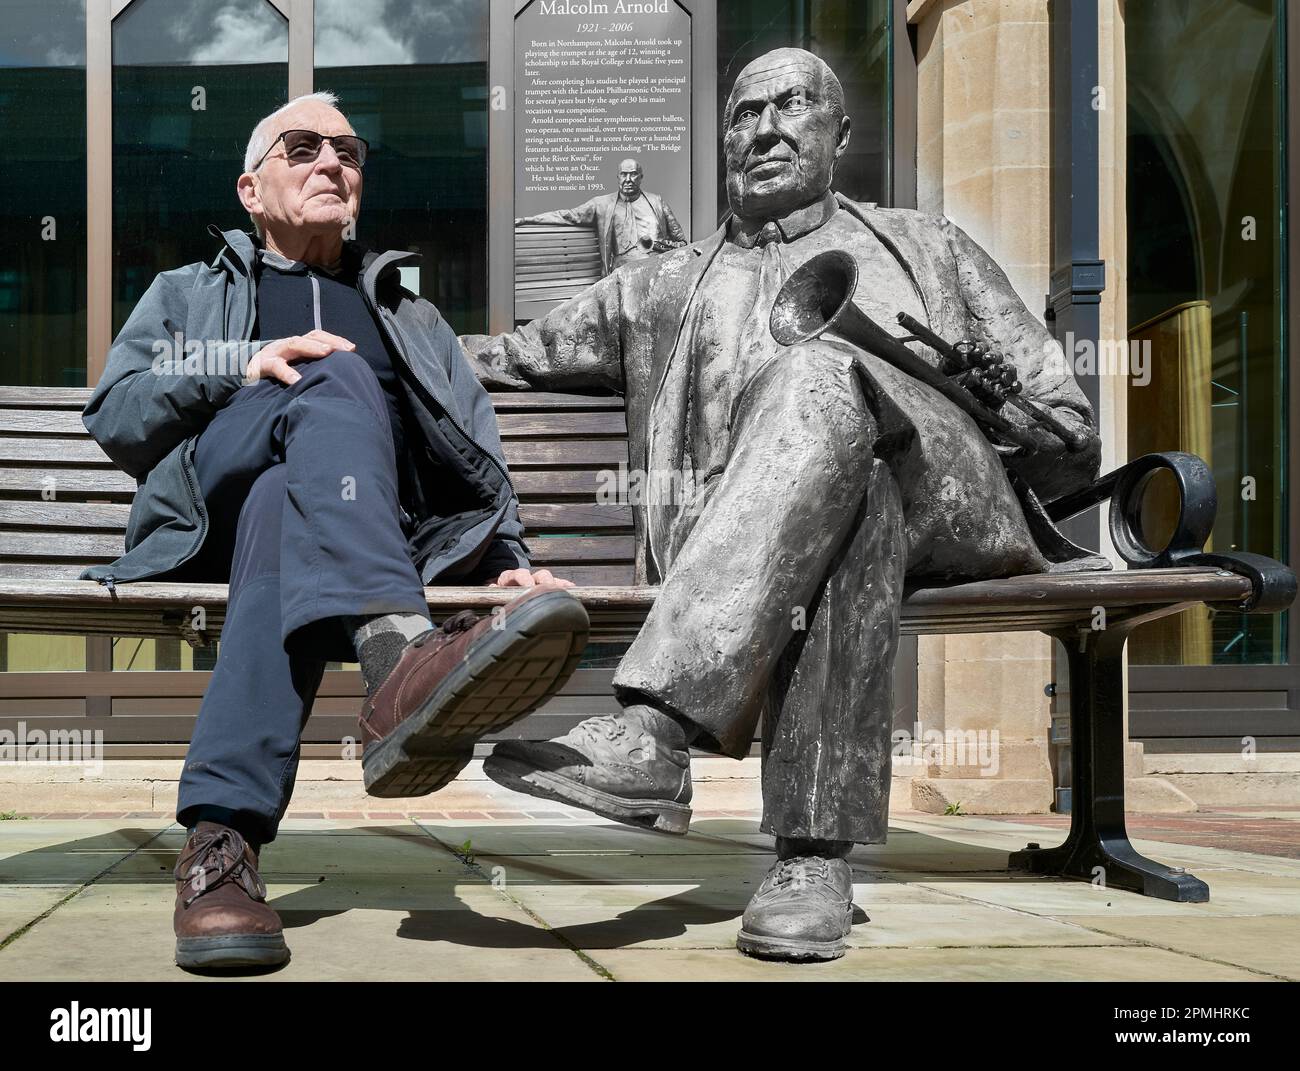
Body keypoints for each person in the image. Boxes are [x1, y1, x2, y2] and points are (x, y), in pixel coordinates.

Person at [462, 48, 1102, 962]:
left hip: (956, 508)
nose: (763, 128)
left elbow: (1077, 440)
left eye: (792, 106)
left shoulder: (927, 245)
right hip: (828, 530)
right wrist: (355, 334)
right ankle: (811, 858)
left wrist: (1010, 407)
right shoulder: (660, 283)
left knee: (820, 375)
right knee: (854, 506)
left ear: (838, 134)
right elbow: (505, 356)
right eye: (742, 113)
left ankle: (655, 730)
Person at [80, 91, 588, 972]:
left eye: (348, 152)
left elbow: (472, 451)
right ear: (250, 187)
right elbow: (116, 410)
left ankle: (221, 844)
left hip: (330, 529)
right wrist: (236, 369)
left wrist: (506, 556)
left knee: (288, 499)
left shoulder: (407, 312)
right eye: (304, 147)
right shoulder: (188, 294)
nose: (331, 164)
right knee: (330, 380)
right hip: (212, 509)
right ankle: (401, 656)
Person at [515, 157, 687, 274]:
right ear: (617, 177)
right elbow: (566, 216)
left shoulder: (657, 202)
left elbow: (682, 243)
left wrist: (661, 246)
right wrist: (527, 220)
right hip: (621, 275)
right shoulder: (602, 204)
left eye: (633, 174)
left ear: (641, 177)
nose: (628, 179)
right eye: (623, 174)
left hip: (656, 270)